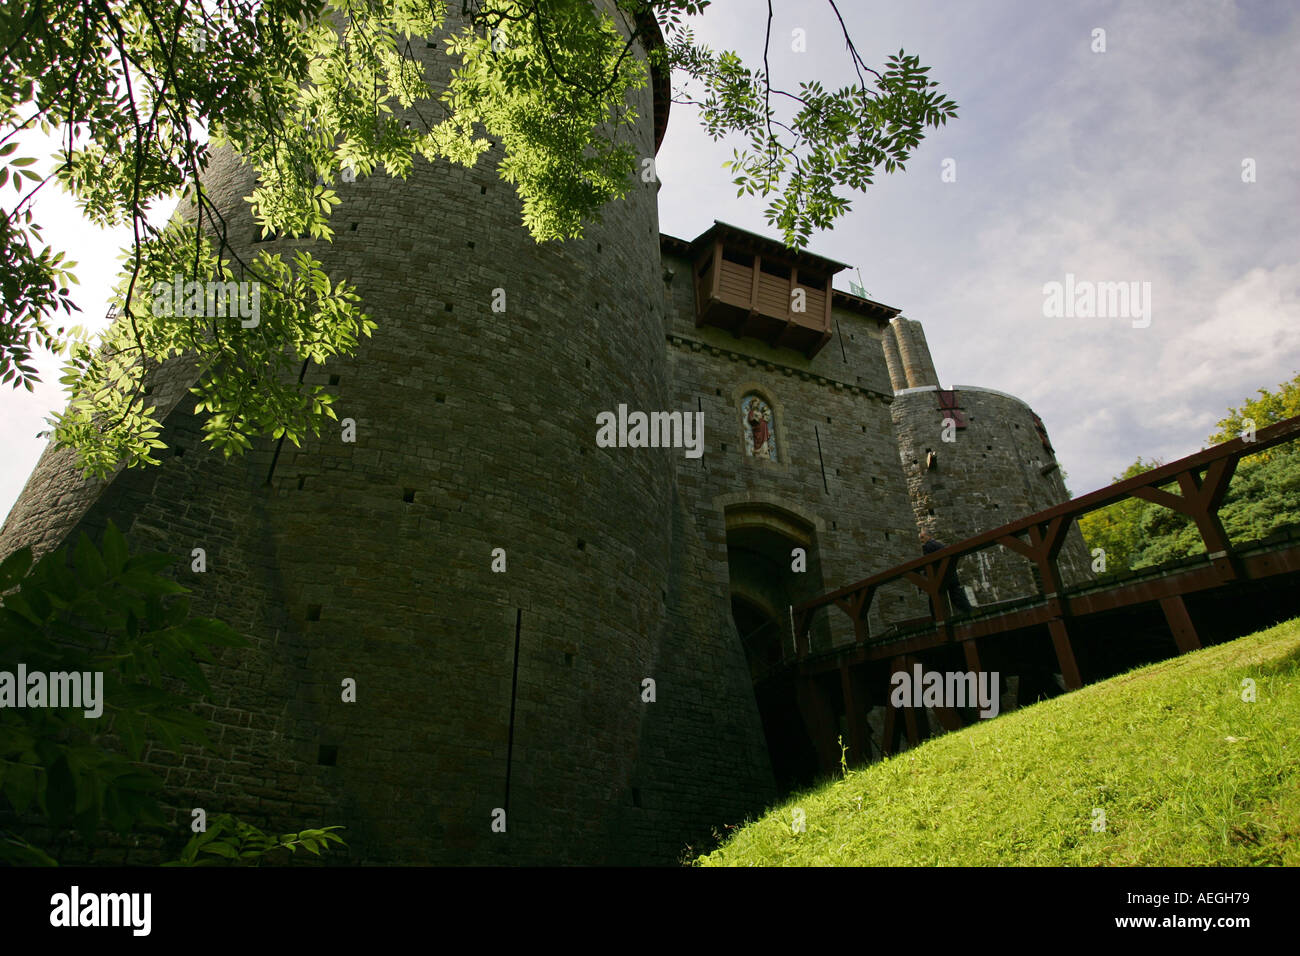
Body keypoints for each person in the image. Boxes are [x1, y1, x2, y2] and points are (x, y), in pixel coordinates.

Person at [919, 530, 973, 614]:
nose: (921, 540)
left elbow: (928, 562)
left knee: (935, 597)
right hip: (949, 574)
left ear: (928, 536)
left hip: (942, 575)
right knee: (957, 595)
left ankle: (938, 619)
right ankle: (969, 612)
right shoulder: (939, 545)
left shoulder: (928, 546)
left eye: (922, 537)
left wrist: (926, 574)